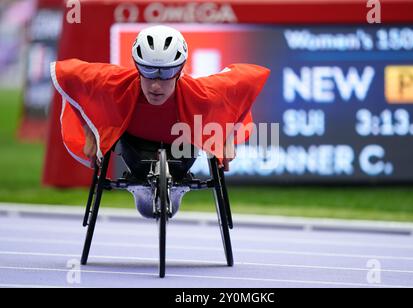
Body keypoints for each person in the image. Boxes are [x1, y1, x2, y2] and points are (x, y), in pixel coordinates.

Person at [50, 25, 270, 217]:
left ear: (180, 69)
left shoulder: (202, 94)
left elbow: (247, 82)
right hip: (135, 150)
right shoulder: (114, 84)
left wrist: (228, 137)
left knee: (186, 155)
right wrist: (89, 133)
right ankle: (141, 189)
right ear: (136, 66)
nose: (156, 85)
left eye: (167, 73)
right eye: (148, 70)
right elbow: (67, 74)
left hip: (182, 152)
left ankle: (176, 189)